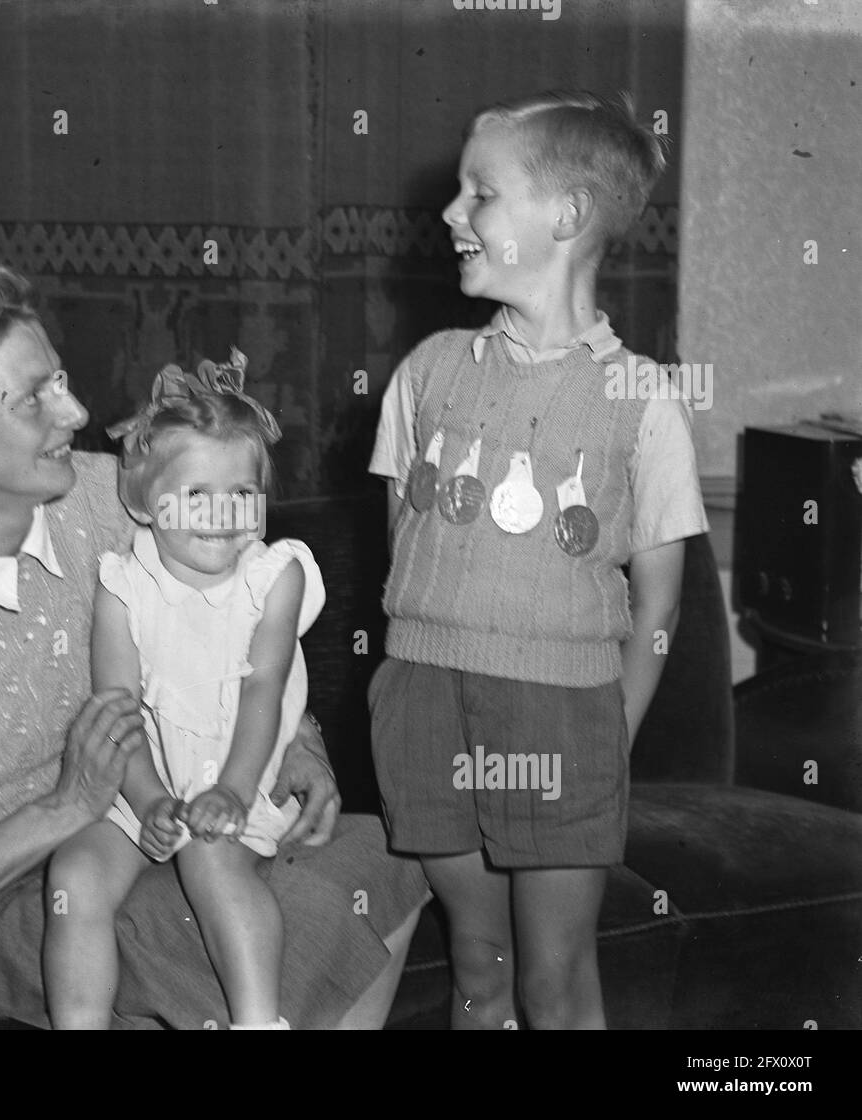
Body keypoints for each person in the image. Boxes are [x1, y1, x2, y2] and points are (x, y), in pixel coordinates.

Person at [0, 256, 428, 1029]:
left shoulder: (101, 495)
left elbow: (234, 611)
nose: (76, 411)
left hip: (143, 821)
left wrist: (298, 744)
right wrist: (65, 806)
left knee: (379, 856)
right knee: (250, 927)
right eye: (35, 398)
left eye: (61, 382)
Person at [368, 90, 707, 1029]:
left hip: (562, 715)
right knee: (478, 963)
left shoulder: (643, 401)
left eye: (480, 194)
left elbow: (659, 610)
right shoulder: (424, 373)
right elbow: (405, 550)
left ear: (566, 215)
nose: (450, 213)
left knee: (554, 984)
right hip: (425, 703)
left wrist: (606, 739)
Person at [45, 350, 323, 1030]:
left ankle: (258, 1021)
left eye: (242, 494)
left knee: (210, 855)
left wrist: (231, 790)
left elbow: (264, 692)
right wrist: (146, 801)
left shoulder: (274, 578)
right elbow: (119, 708)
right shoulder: (123, 586)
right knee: (74, 874)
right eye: (196, 495)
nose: (222, 514)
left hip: (241, 775)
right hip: (145, 781)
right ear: (145, 499)